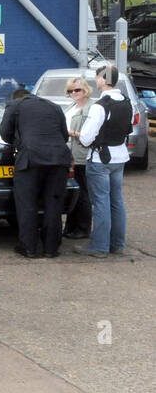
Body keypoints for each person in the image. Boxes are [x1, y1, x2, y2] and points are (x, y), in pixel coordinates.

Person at [0, 87, 71, 258]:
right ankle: (51, 248)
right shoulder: (54, 106)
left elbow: (4, 133)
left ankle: (29, 248)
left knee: (27, 204)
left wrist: (19, 141)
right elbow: (64, 136)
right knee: (53, 204)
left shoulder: (15, 105)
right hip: (59, 159)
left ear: (17, 97)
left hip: (30, 159)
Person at [75, 65, 130, 257]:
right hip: (120, 156)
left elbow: (86, 138)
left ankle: (99, 247)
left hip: (100, 159)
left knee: (100, 203)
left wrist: (78, 135)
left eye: (97, 77)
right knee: (117, 201)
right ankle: (118, 244)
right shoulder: (125, 100)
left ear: (102, 80)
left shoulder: (101, 105)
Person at [62, 76, 94, 240]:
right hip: (69, 154)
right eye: (70, 90)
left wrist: (71, 133)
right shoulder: (72, 106)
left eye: (77, 90)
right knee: (74, 192)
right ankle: (70, 227)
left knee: (82, 193)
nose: (73, 93)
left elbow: (90, 134)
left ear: (85, 90)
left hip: (81, 155)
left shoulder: (90, 108)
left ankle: (83, 228)